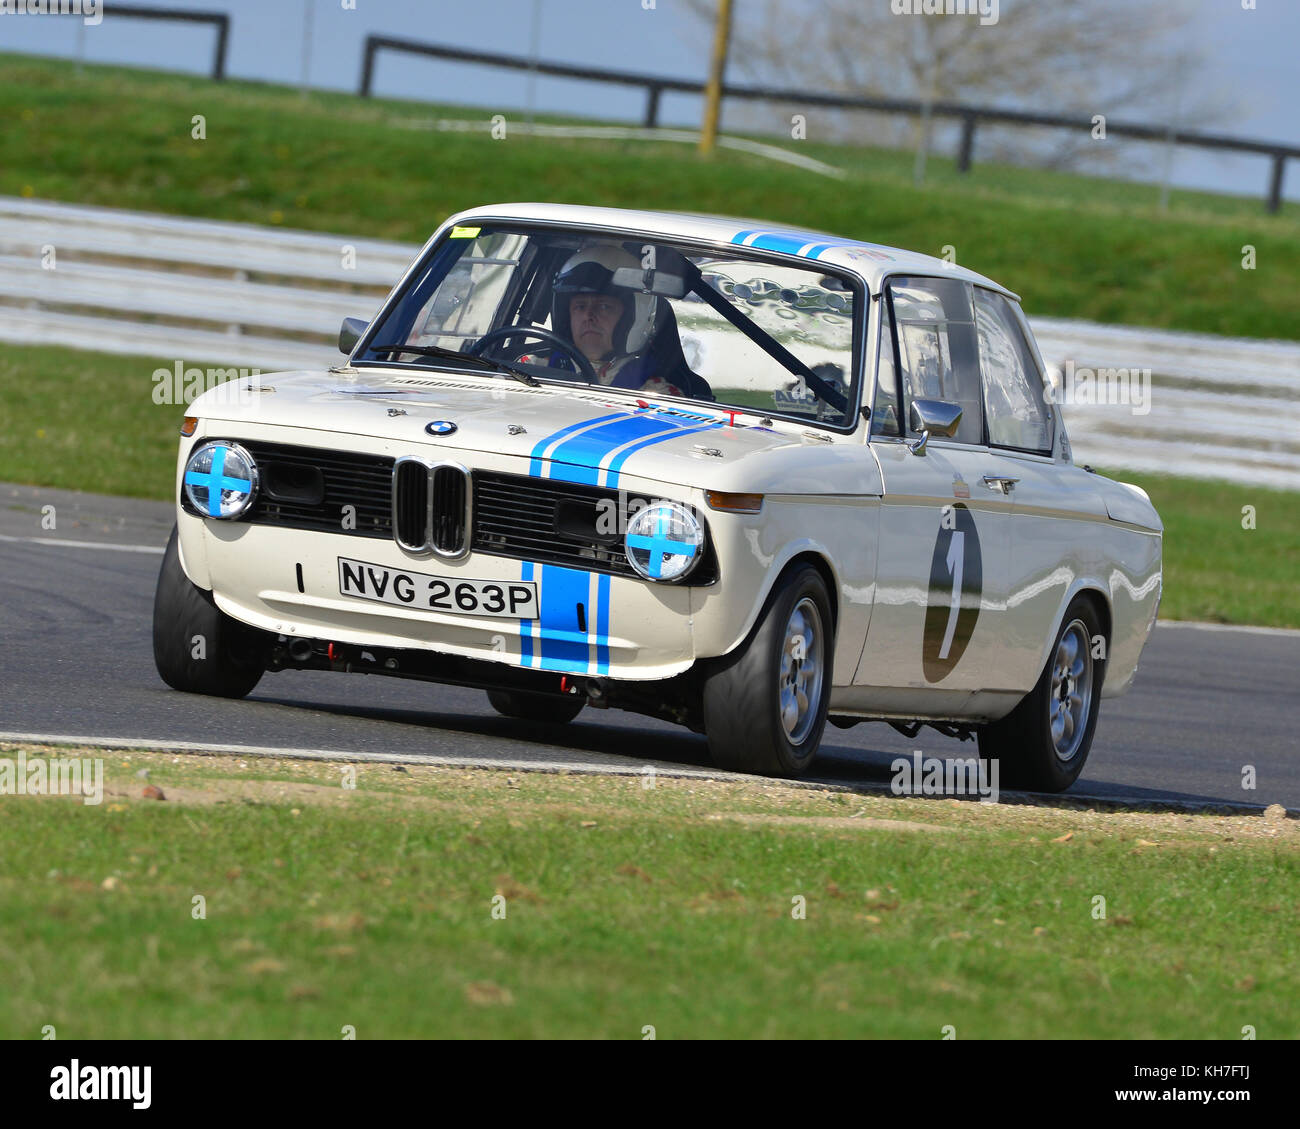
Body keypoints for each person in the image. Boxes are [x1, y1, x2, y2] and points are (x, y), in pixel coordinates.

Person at [547, 245, 684, 397]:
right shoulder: (531, 371)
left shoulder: (660, 398)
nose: (588, 316)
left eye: (604, 307)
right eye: (580, 306)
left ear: (633, 317)